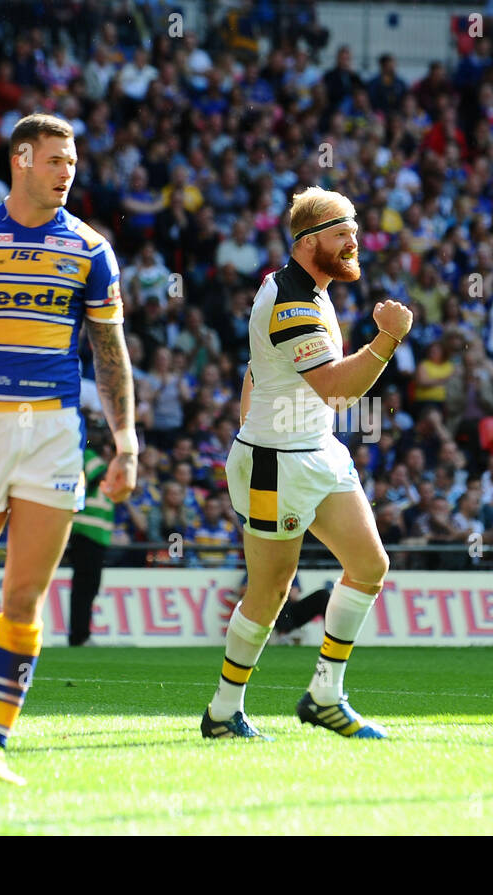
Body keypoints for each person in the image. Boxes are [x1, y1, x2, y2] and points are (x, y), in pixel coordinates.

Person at [0, 114, 137, 785]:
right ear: (20, 159)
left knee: (22, 600)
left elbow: (110, 351)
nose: (66, 172)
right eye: (54, 161)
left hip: (53, 433)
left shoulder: (91, 250)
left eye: (71, 162)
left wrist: (127, 440)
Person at [202, 186, 411, 740]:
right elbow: (338, 391)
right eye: (343, 233)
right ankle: (223, 711)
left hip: (316, 452)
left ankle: (325, 696)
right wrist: (388, 338)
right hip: (277, 464)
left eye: (355, 233)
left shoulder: (310, 292)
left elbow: (254, 372)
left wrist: (256, 423)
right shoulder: (292, 298)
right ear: (310, 239)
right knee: (269, 593)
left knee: (369, 565)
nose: (353, 243)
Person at [65, 430, 116, 646]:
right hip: (87, 532)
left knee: (88, 586)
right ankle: (79, 635)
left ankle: (81, 633)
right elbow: (96, 477)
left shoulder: (93, 459)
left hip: (96, 534)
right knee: (85, 586)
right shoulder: (88, 456)